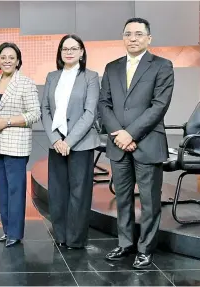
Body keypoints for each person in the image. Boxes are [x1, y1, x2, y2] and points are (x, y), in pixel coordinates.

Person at [98, 17, 174, 269]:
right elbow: (104, 104)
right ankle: (125, 242)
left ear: (148, 38)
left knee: (150, 201)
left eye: (139, 34)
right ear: (123, 37)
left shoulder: (162, 66)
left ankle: (145, 248)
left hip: (147, 143)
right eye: (128, 34)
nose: (133, 38)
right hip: (118, 145)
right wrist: (119, 134)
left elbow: (159, 106)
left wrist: (130, 134)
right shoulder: (112, 67)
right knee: (122, 198)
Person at [41, 35, 100, 250]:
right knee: (57, 193)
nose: (69, 52)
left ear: (82, 52)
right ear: (60, 52)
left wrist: (69, 141)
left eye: (74, 48)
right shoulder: (51, 76)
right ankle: (61, 236)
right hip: (56, 144)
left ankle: (75, 239)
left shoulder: (91, 77)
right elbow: (45, 110)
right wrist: (57, 139)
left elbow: (90, 112)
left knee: (79, 193)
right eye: (65, 48)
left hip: (81, 144)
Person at [0, 42, 40, 247]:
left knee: (15, 190)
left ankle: (15, 233)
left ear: (18, 61)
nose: (7, 60)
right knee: (2, 189)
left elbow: (34, 114)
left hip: (16, 144)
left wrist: (5, 121)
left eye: (11, 57)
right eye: (3, 57)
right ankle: (7, 230)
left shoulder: (25, 83)